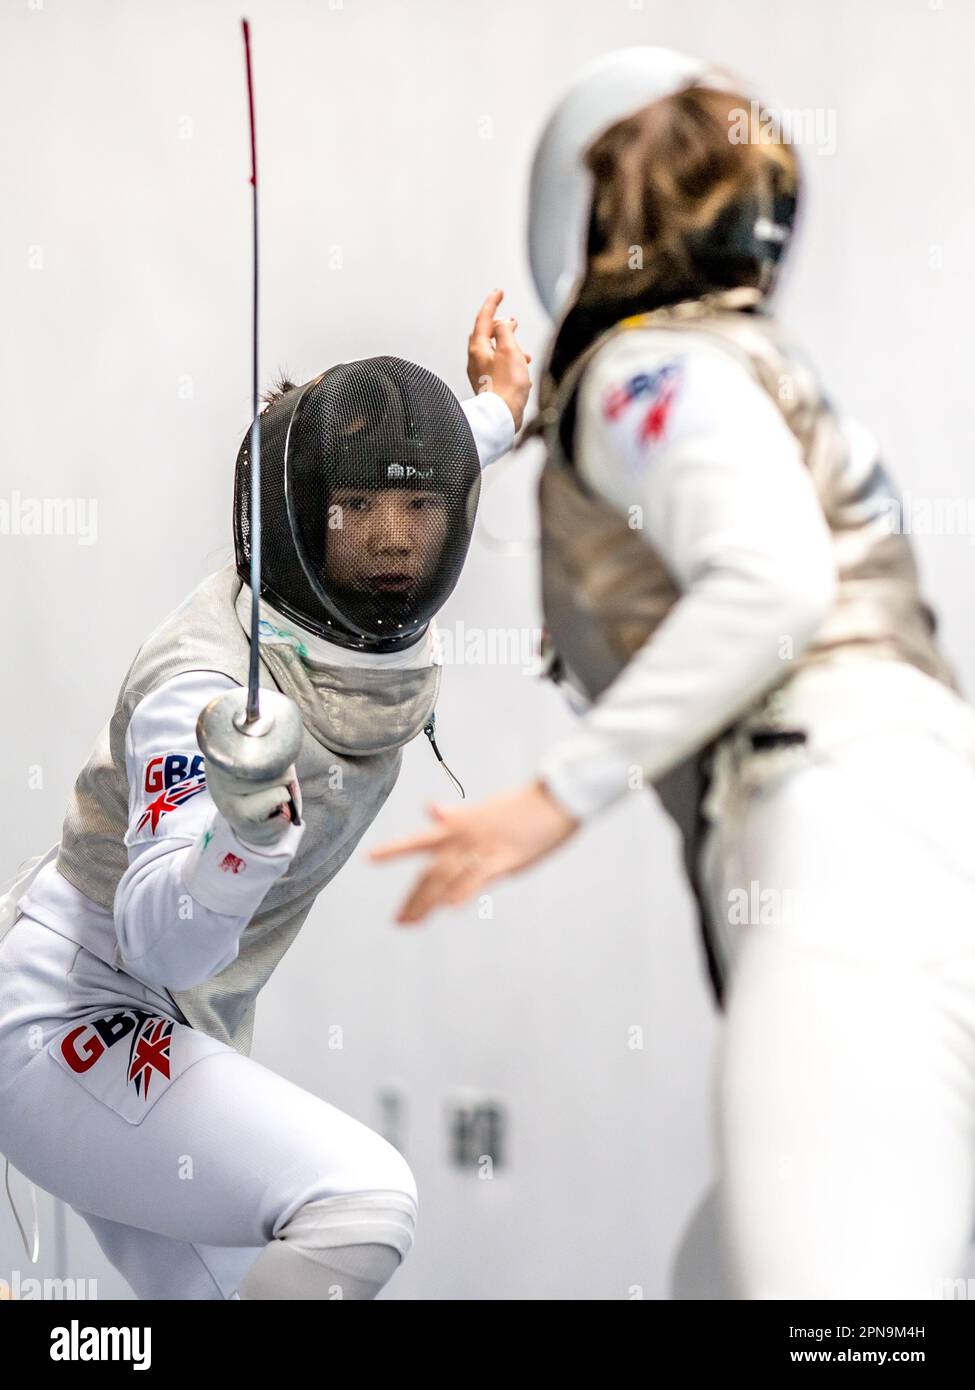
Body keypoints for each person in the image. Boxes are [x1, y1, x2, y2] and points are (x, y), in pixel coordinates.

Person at [370, 51, 975, 1299]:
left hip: (841, 850)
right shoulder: (720, 364)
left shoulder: (652, 373)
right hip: (904, 843)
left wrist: (552, 798)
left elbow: (774, 583)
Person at [0, 291, 531, 1301]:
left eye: (419, 509)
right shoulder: (204, 692)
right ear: (296, 524)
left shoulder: (370, 538)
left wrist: (498, 407)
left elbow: (438, 452)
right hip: (76, 1015)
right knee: (360, 1202)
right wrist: (240, 831)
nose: (392, 542)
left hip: (165, 1026)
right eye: (356, 513)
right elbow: (161, 943)